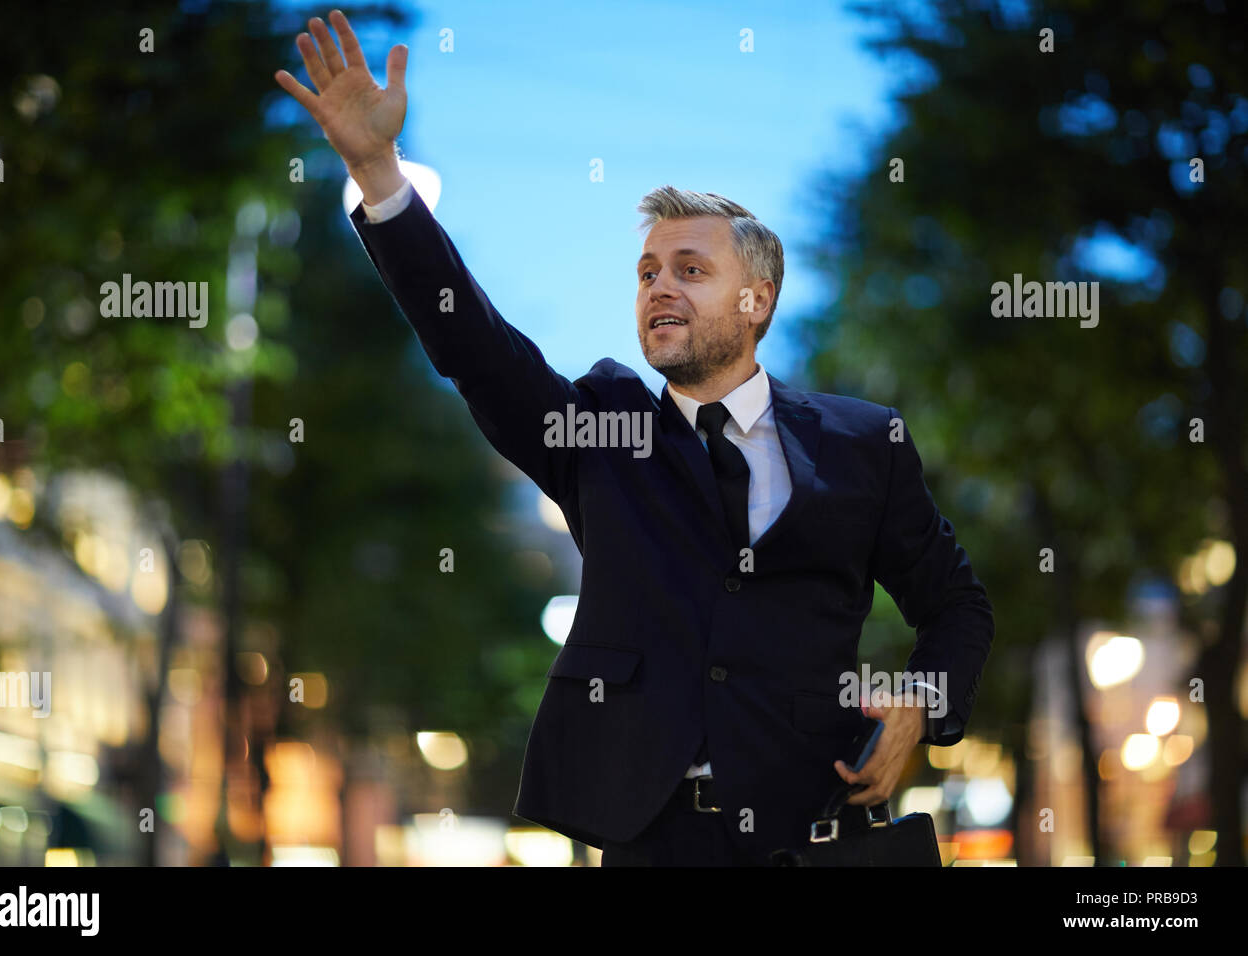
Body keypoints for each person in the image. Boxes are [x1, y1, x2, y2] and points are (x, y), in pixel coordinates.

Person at [276, 10, 995, 866]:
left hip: (816, 839)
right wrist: (378, 175)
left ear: (755, 300)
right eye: (648, 272)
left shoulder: (862, 443)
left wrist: (921, 695)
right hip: (657, 845)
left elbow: (956, 605)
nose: (661, 287)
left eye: (692, 270)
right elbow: (477, 350)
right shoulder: (602, 434)